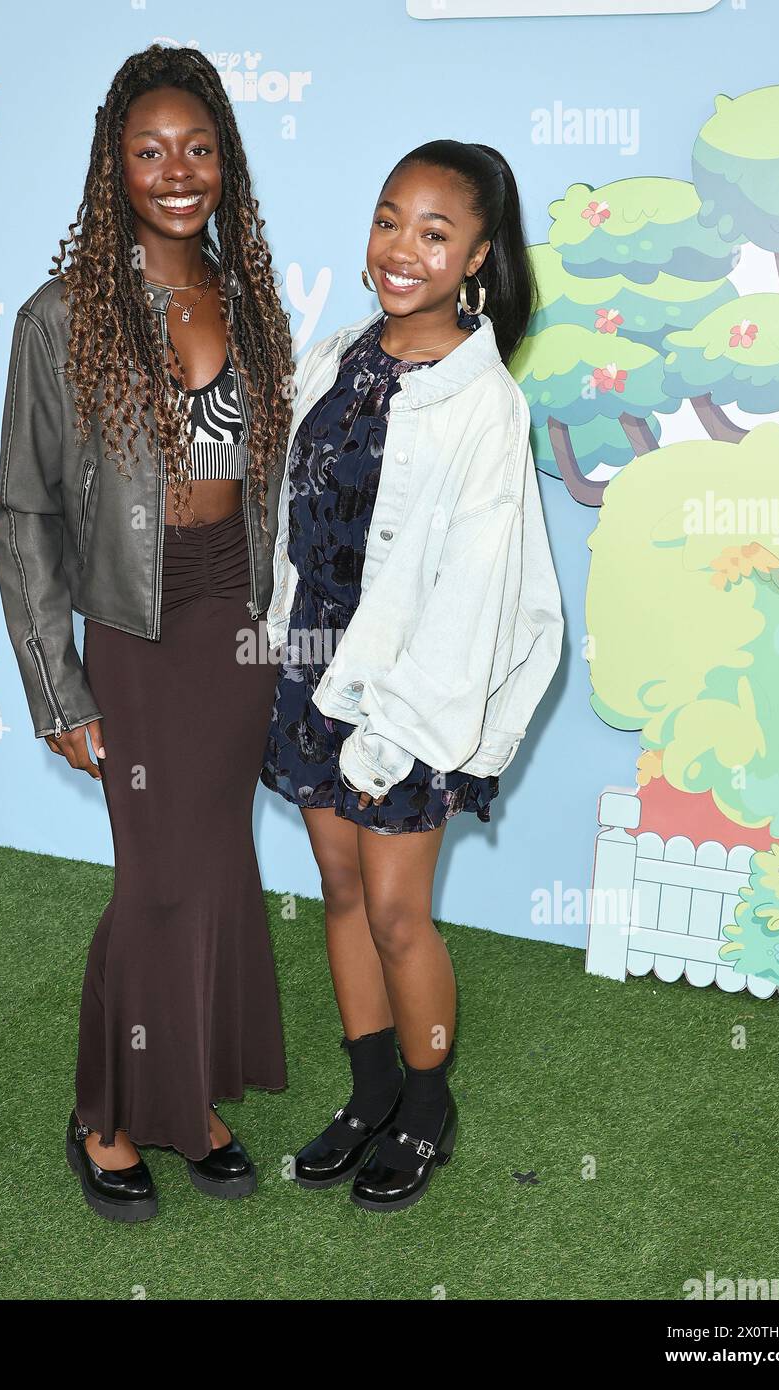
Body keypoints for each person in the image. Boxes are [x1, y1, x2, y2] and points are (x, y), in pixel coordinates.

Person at [0, 44, 294, 1222]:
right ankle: (106, 1114)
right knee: (158, 878)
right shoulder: (60, 318)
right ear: (114, 164)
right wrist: (60, 692)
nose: (178, 171)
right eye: (151, 149)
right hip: (134, 618)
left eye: (199, 148)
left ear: (227, 162)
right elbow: (22, 516)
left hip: (234, 617)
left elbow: (261, 484)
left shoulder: (245, 295)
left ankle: (192, 1100)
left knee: (212, 867)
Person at [261, 140, 564, 1212]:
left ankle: (427, 1104)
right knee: (339, 891)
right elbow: (293, 529)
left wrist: (394, 729)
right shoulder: (336, 352)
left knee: (397, 911)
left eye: (435, 232)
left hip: (408, 697)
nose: (403, 248)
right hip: (312, 674)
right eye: (391, 219)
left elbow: (477, 592)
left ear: (478, 255)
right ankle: (368, 1089)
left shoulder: (484, 406)